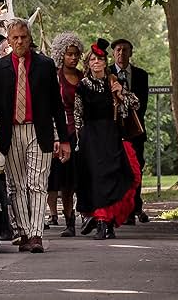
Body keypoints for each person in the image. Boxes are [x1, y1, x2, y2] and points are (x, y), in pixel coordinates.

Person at [0, 18, 70, 253]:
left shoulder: (45, 65)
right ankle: (23, 231)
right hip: (11, 131)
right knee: (16, 185)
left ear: (30, 38)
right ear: (9, 40)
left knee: (37, 183)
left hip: (39, 130)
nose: (20, 41)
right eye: (15, 37)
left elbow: (57, 104)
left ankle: (36, 235)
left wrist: (63, 139)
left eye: (23, 37)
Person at [75, 39, 141, 240]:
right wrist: (79, 140)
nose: (96, 62)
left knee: (116, 177)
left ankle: (108, 221)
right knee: (97, 179)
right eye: (93, 59)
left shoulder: (112, 82)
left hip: (111, 135)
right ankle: (100, 221)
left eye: (100, 59)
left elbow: (135, 104)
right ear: (88, 63)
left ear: (105, 62)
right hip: (90, 138)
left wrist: (121, 94)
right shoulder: (82, 86)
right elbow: (77, 115)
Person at [109, 38, 150, 225]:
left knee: (136, 168)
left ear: (131, 53)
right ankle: (119, 208)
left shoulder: (141, 75)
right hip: (112, 131)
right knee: (115, 169)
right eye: (118, 50)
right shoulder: (107, 73)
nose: (121, 53)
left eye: (125, 50)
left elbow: (143, 104)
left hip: (135, 130)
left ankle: (134, 206)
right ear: (113, 53)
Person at [48, 32, 84, 237]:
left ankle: (86, 214)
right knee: (66, 182)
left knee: (82, 178)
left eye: (76, 54)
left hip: (81, 133)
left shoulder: (83, 77)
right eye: (70, 54)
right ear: (62, 54)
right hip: (62, 132)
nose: (73, 58)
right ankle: (69, 220)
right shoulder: (55, 77)